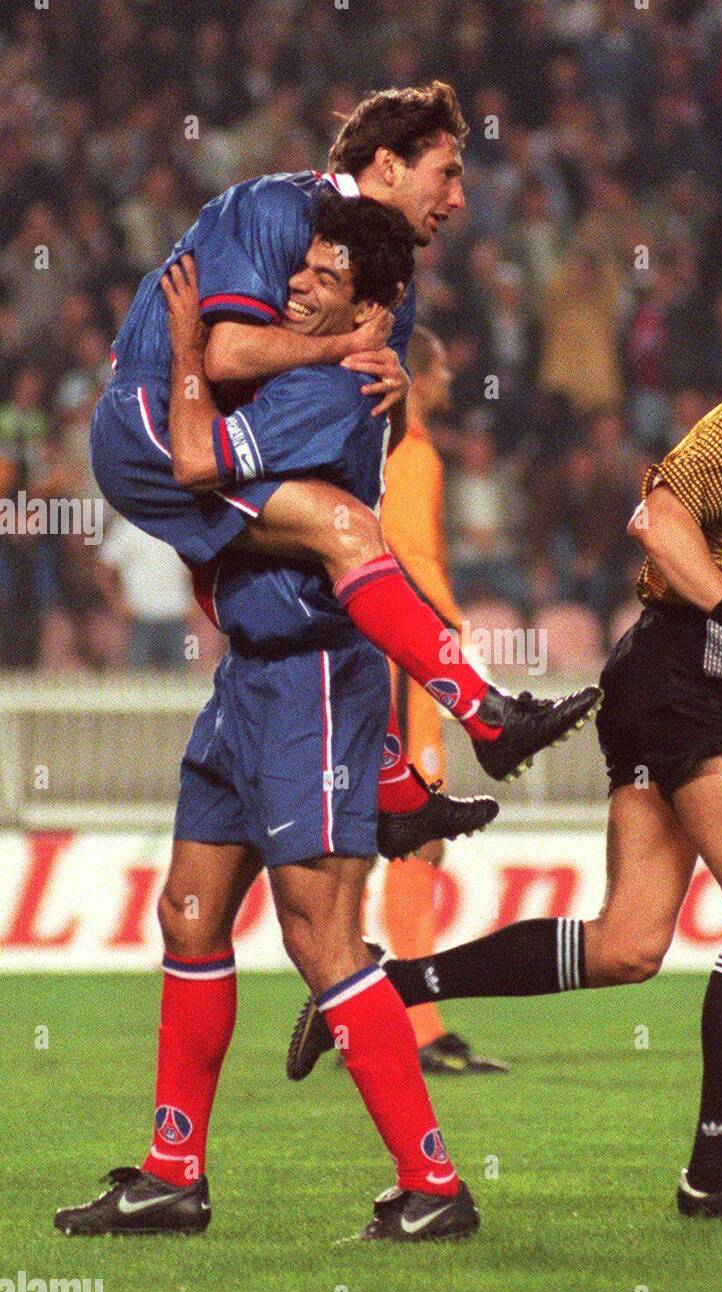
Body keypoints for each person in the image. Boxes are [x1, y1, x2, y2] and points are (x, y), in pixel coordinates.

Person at [289, 267, 722, 1223]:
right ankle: (716, 1173)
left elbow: (720, 559)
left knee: (626, 946)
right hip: (690, 679)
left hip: (669, 673)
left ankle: (386, 983)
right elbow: (656, 520)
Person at [55, 201, 480, 1244]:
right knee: (190, 914)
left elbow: (194, 459)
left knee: (317, 933)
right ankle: (171, 1174)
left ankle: (433, 1187)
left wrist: (192, 347)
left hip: (311, 677)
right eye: (298, 269)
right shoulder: (323, 367)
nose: (296, 284)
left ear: (369, 305)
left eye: (323, 276)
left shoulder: (331, 387)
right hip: (249, 680)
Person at [89, 79, 600, 836]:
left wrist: (390, 391)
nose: (458, 198)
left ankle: (393, 791)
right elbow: (224, 352)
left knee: (339, 584)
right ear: (388, 165)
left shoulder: (395, 285)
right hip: (157, 423)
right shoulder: (270, 208)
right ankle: (486, 716)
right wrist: (344, 345)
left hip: (239, 439)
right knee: (342, 537)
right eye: (448, 172)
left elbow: (362, 443)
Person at [289, 326, 508, 1080]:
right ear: (420, 374)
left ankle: (376, 1012)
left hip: (381, 657)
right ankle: (406, 1023)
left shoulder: (374, 447)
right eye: (444, 368)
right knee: (416, 836)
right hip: (408, 664)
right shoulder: (412, 451)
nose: (449, 382)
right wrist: (450, 654)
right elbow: (409, 563)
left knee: (386, 836)